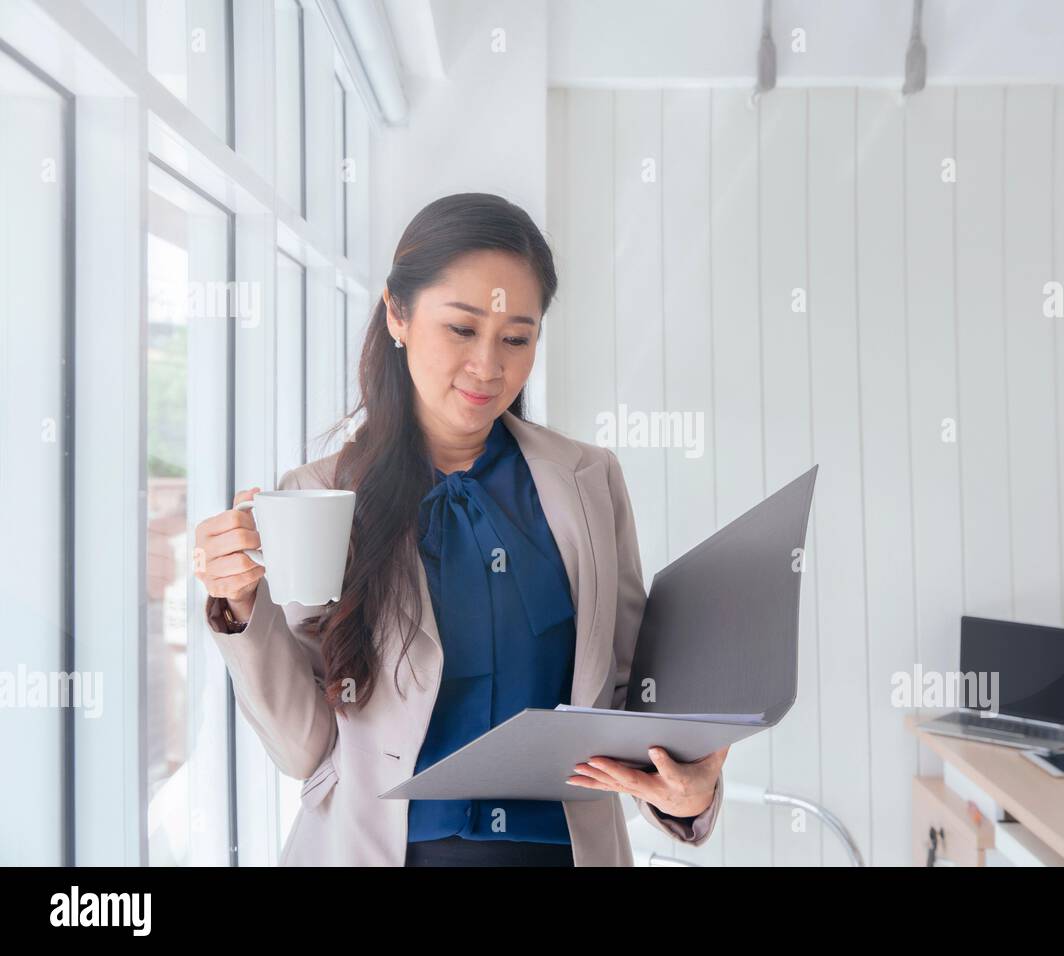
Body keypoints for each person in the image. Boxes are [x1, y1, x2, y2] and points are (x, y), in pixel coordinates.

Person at [193, 193, 727, 866]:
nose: (488, 366)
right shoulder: (317, 498)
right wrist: (244, 608)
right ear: (397, 314)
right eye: (461, 329)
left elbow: (624, 697)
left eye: (516, 338)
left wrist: (689, 792)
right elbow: (305, 748)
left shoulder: (590, 481)